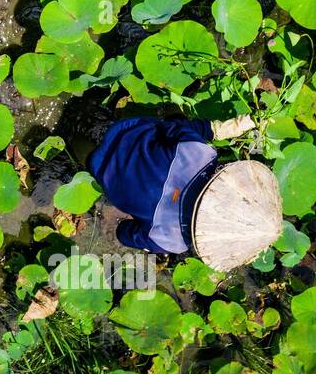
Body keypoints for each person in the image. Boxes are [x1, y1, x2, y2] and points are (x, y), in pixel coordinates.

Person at [88, 114, 282, 271]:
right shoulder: (172, 241)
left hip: (124, 128)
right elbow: (123, 233)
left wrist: (215, 129)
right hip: (99, 169)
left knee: (175, 123)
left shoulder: (201, 153)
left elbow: (172, 126)